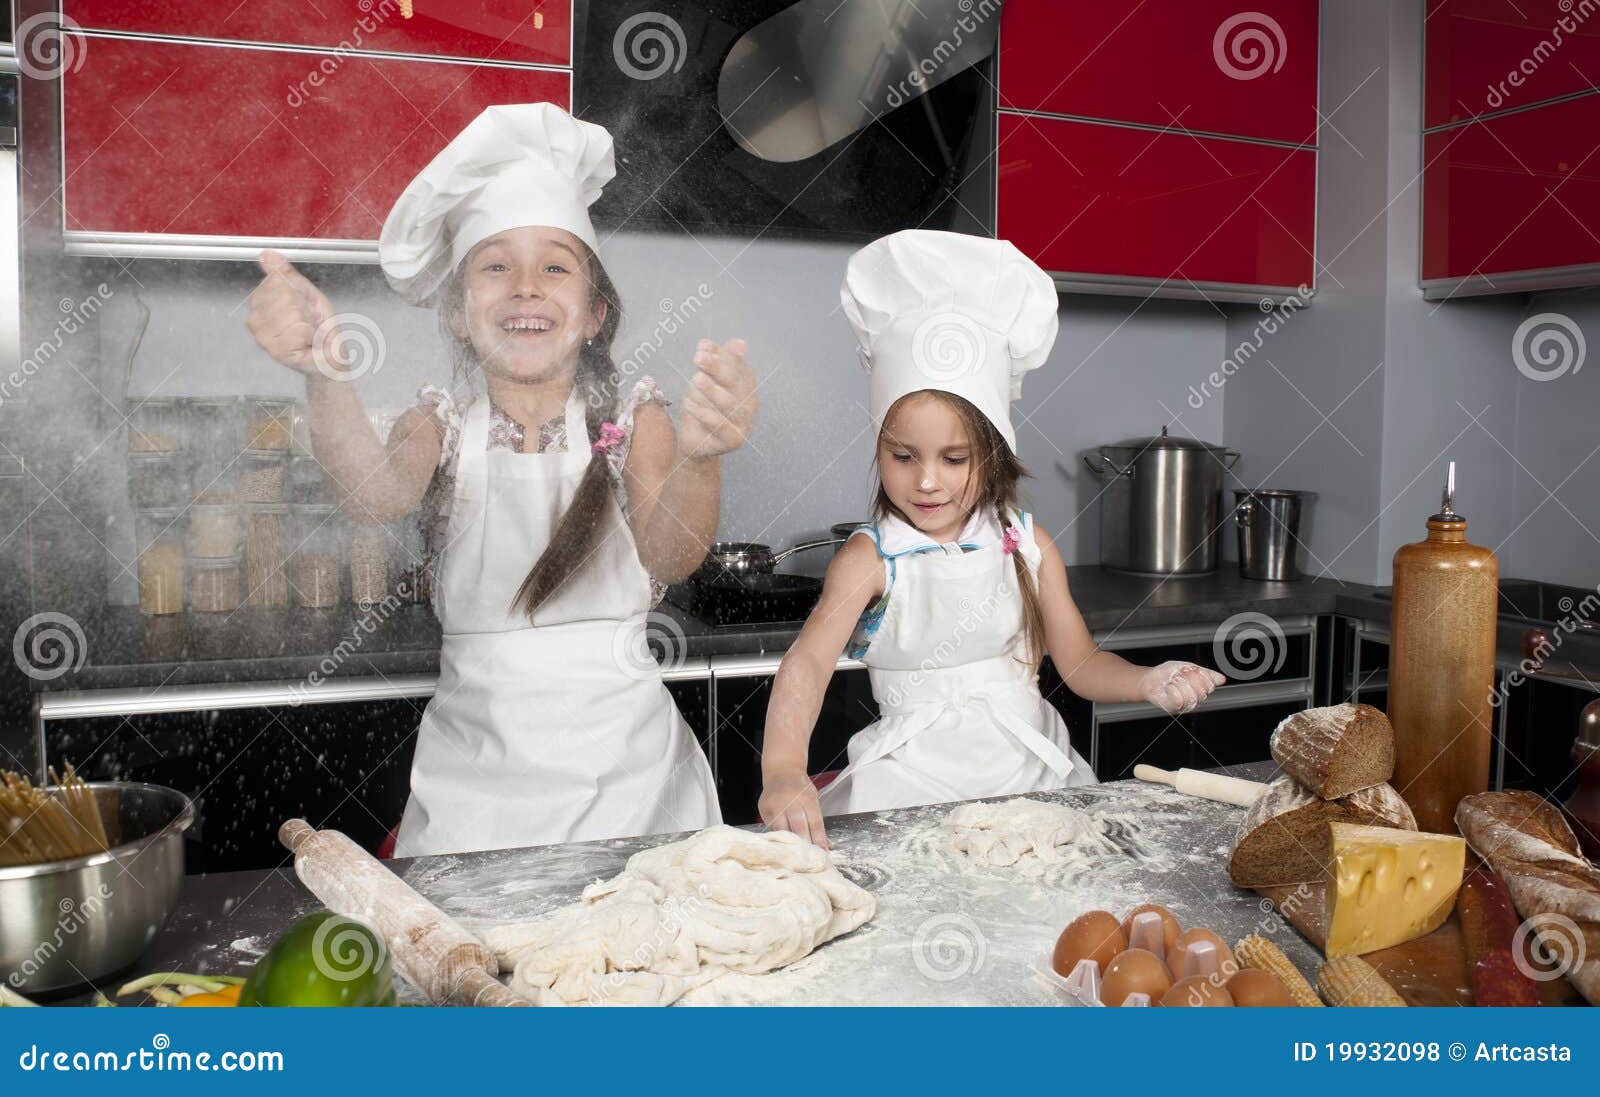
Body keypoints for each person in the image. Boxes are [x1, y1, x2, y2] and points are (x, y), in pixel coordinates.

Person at [246, 103, 756, 856]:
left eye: (556, 265)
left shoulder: (635, 422)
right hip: (475, 788)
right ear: (458, 312)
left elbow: (670, 555)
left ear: (593, 313)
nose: (525, 286)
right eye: (495, 265)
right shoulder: (440, 424)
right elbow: (369, 495)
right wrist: (324, 375)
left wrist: (703, 456)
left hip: (633, 784)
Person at [758, 230, 1224, 847]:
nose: (927, 481)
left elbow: (1080, 663)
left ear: (996, 455)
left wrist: (1146, 680)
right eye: (902, 456)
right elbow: (810, 664)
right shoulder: (872, 557)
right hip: (906, 785)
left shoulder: (1029, 547)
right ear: (879, 448)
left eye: (955, 458)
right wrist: (783, 771)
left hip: (1030, 778)